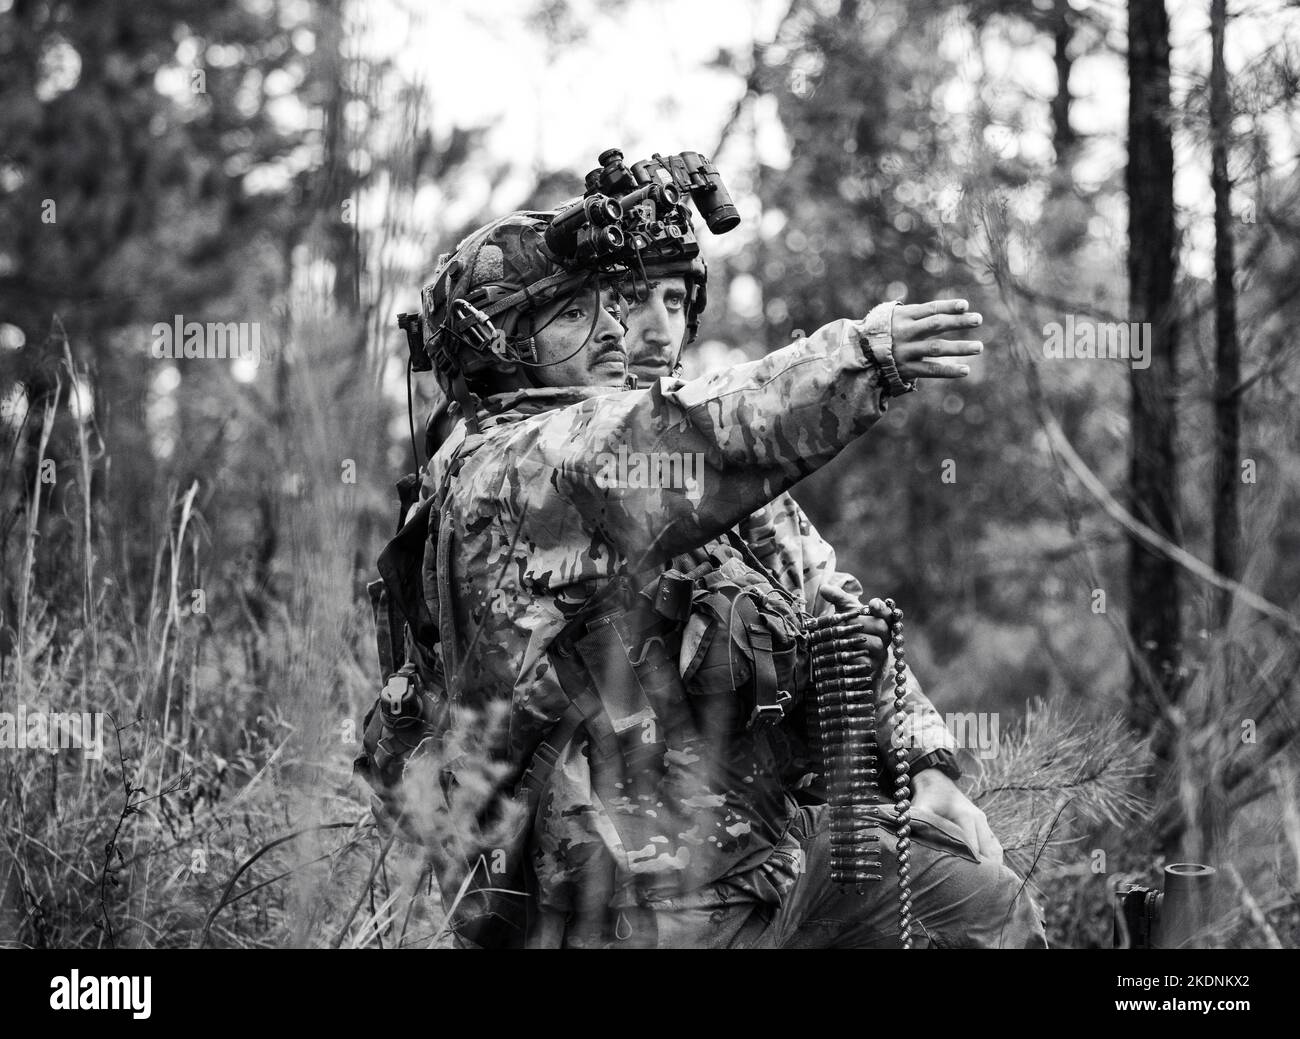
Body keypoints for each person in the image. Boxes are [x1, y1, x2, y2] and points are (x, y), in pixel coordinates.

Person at [362, 201, 1044, 949]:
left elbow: (829, 603)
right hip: (631, 903)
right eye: (574, 314)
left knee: (981, 904)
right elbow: (689, 432)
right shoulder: (510, 470)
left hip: (757, 857)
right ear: (502, 345)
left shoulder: (654, 482)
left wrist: (926, 760)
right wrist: (862, 354)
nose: (618, 332)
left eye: (610, 307)